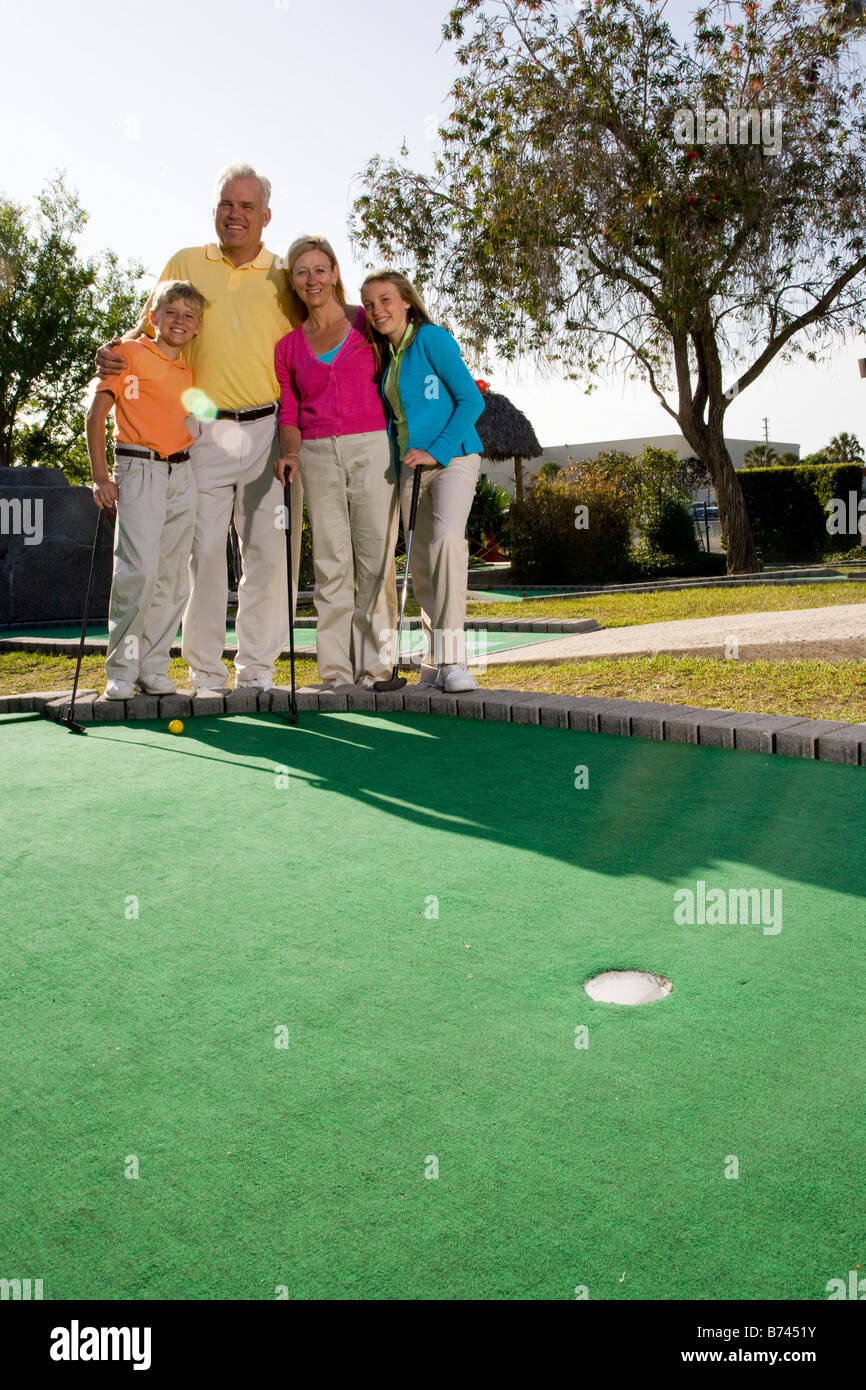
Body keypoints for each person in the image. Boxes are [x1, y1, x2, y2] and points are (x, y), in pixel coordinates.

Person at [95, 164, 300, 695]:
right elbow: (146, 327)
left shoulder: (283, 275)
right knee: (203, 554)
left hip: (265, 429)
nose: (235, 215)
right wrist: (110, 349)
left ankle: (256, 671)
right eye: (227, 204)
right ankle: (206, 672)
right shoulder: (184, 261)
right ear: (215, 209)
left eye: (247, 207)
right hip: (198, 434)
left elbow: (312, 339)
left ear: (266, 216)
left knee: (264, 553)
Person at [274, 236, 398, 688]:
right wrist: (290, 452)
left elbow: (406, 354)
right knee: (331, 564)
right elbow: (290, 412)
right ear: (293, 280)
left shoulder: (366, 321)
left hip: (373, 448)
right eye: (302, 272)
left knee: (376, 561)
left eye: (320, 269)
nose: (312, 279)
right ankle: (335, 672)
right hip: (317, 455)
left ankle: (377, 667)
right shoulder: (287, 347)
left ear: (335, 273)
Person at [361, 271, 484, 693]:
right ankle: (434, 661)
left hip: (455, 458)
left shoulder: (431, 339)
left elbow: (472, 399)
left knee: (448, 543)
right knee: (425, 572)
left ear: (407, 302)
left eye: (386, 299)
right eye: (370, 304)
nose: (379, 310)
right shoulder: (388, 360)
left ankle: (453, 661)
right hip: (410, 470)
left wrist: (437, 449)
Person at [86, 280, 205, 700]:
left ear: (197, 328)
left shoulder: (186, 371)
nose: (179, 320)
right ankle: (121, 668)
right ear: (153, 316)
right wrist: (101, 478)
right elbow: (96, 413)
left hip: (182, 472)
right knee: (139, 571)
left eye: (188, 316)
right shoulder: (128, 353)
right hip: (138, 467)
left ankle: (153, 667)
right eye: (170, 312)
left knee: (173, 577)